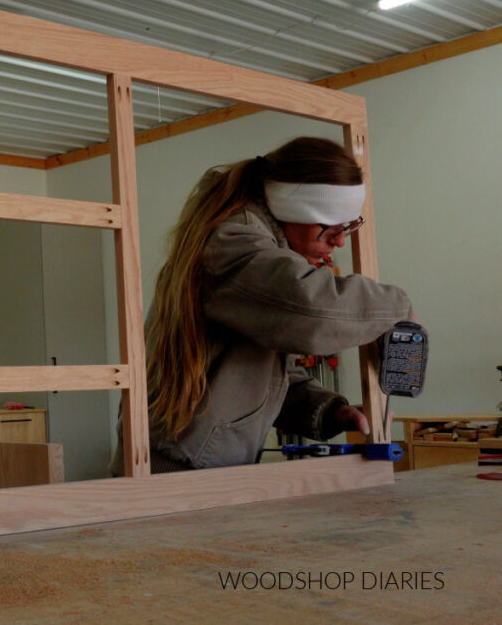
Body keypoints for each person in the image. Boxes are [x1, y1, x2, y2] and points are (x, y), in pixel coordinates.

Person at [110, 136, 413, 474]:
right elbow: (311, 312)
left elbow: (260, 373)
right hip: (175, 470)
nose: (340, 241)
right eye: (330, 228)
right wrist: (398, 308)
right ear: (291, 209)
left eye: (348, 227)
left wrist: (328, 411)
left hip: (199, 463)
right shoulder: (231, 240)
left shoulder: (258, 250)